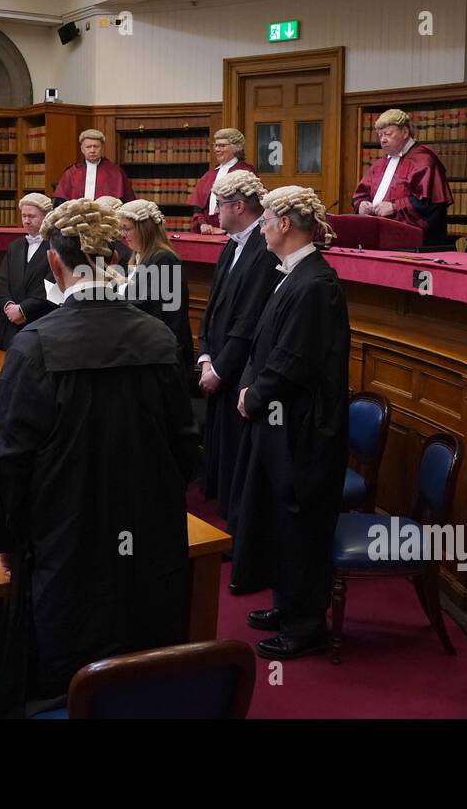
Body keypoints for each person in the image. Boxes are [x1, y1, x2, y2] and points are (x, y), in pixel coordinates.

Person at [0, 198, 197, 716]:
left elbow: (10, 458)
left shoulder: (33, 346)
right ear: (116, 261)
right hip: (151, 542)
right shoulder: (158, 338)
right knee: (142, 668)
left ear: (53, 264)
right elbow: (185, 446)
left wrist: (5, 539)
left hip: (66, 545)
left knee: (69, 678)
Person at [229, 185, 349, 660]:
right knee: (279, 518)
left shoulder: (316, 283)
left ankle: (305, 626)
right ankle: (286, 603)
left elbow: (294, 357)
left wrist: (255, 394)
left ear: (284, 224)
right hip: (282, 423)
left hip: (304, 429)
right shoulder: (294, 275)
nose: (260, 227)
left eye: (265, 220)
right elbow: (271, 344)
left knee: (300, 525)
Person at [194, 170, 282, 515]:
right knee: (219, 453)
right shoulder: (232, 243)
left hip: (239, 372)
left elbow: (249, 319)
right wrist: (204, 355)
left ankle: (233, 529)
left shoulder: (263, 247)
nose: (215, 214)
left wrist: (220, 368)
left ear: (239, 206)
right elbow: (212, 304)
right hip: (218, 363)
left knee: (236, 456)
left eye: (219, 206)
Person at [351, 109, 454, 245]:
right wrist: (361, 205)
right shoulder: (379, 164)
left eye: (388, 134)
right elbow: (361, 194)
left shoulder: (424, 161)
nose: (383, 140)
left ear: (405, 132)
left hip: (412, 243)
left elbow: (430, 205)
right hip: (378, 236)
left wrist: (394, 207)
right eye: (380, 135)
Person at [116, 199, 193, 373]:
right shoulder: (138, 258)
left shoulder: (163, 259)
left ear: (145, 229)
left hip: (161, 356)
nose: (122, 234)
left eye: (127, 228)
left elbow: (152, 309)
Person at [0, 192, 56, 350]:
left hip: (38, 321)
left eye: (32, 216)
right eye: (24, 216)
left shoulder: (55, 247)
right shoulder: (15, 246)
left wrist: (23, 309)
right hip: (9, 323)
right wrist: (8, 306)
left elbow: (52, 285)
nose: (26, 221)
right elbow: (2, 282)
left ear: (46, 217)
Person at [187, 128, 256, 233]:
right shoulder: (209, 175)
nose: (217, 149)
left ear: (236, 148)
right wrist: (203, 225)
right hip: (208, 233)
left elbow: (249, 208)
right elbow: (198, 207)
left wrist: (225, 230)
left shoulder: (245, 173)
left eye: (222, 145)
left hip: (235, 234)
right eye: (216, 145)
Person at [52, 129, 135, 204]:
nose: (92, 150)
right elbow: (60, 201)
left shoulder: (115, 172)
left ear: (102, 148)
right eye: (88, 147)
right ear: (82, 149)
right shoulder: (71, 172)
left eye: (96, 146)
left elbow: (128, 202)